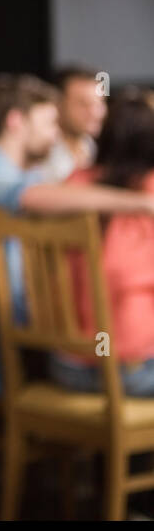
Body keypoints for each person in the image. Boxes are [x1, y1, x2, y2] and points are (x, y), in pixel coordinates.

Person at [0, 74, 154, 398]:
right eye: (49, 123)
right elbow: (30, 196)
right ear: (16, 121)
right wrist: (139, 203)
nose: (56, 136)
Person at [49, 89, 154, 396]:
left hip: (64, 364)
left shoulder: (75, 183)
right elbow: (118, 271)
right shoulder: (147, 193)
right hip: (127, 371)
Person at [37, 65, 107, 182]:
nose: (95, 113)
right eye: (83, 104)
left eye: (100, 103)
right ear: (58, 105)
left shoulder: (91, 146)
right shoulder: (41, 154)